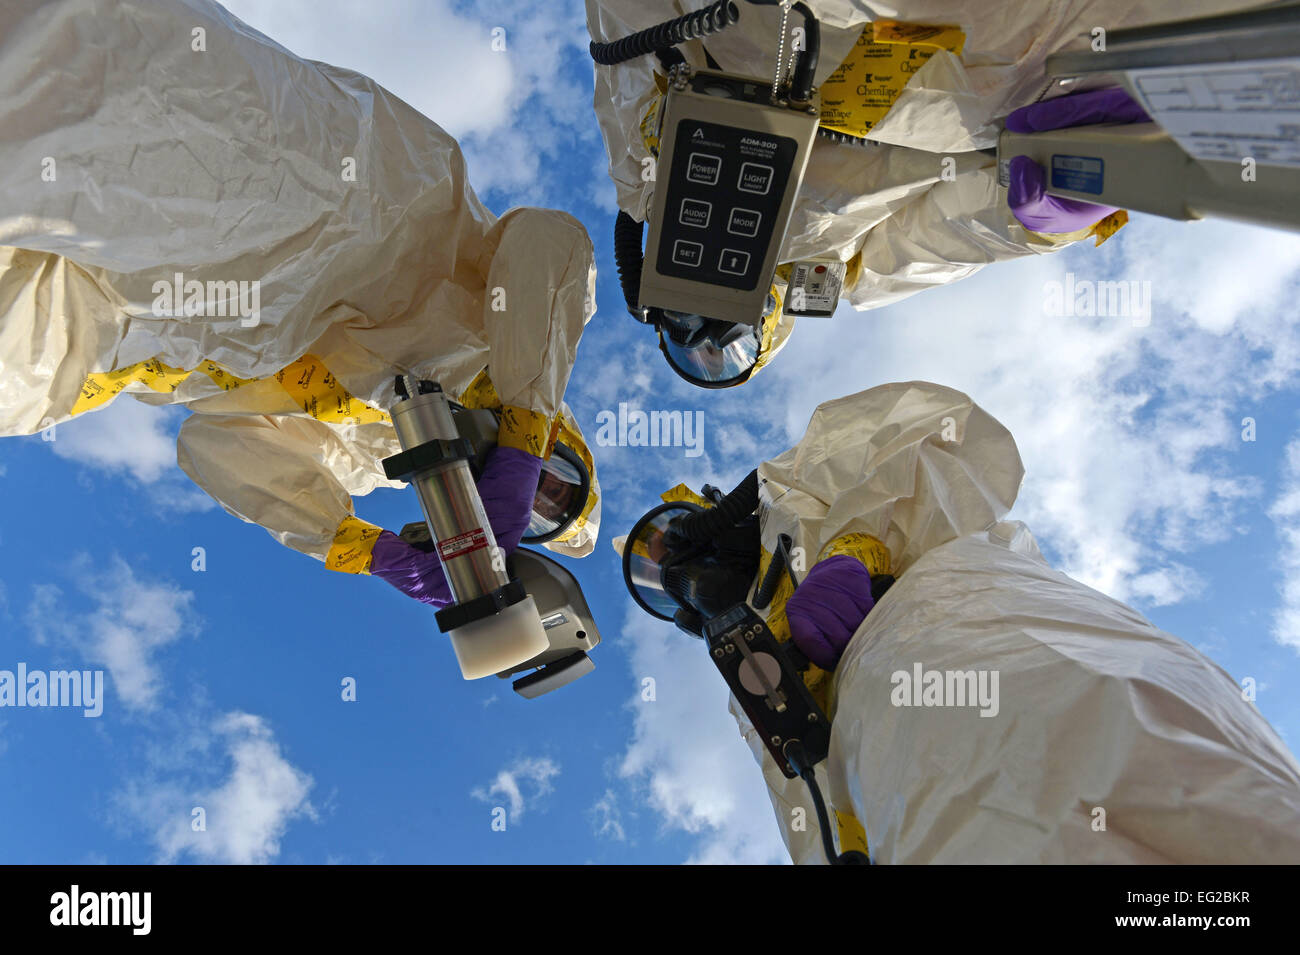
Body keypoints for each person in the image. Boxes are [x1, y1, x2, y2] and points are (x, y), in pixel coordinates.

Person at [0, 0, 602, 608]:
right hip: (298, 202)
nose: (533, 488)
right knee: (57, 93)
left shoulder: (367, 457)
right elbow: (548, 239)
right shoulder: (510, 336)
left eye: (535, 512)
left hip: (139, 331)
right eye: (557, 480)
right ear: (565, 438)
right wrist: (526, 421)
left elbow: (212, 444)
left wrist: (354, 544)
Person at [619, 382, 1300, 863]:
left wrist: (856, 546)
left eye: (671, 541)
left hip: (950, 618)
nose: (680, 570)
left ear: (711, 510)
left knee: (1134, 767)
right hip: (893, 800)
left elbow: (939, 428)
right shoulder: (760, 694)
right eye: (662, 581)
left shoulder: (798, 491)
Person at [587, 0, 1250, 387]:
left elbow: (620, 31)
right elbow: (951, 231)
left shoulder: (648, 177)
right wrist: (1039, 215)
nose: (709, 329)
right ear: (769, 336)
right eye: (725, 353)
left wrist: (660, 126)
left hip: (781, 32)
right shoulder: (851, 270)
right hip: (971, 66)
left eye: (686, 334)